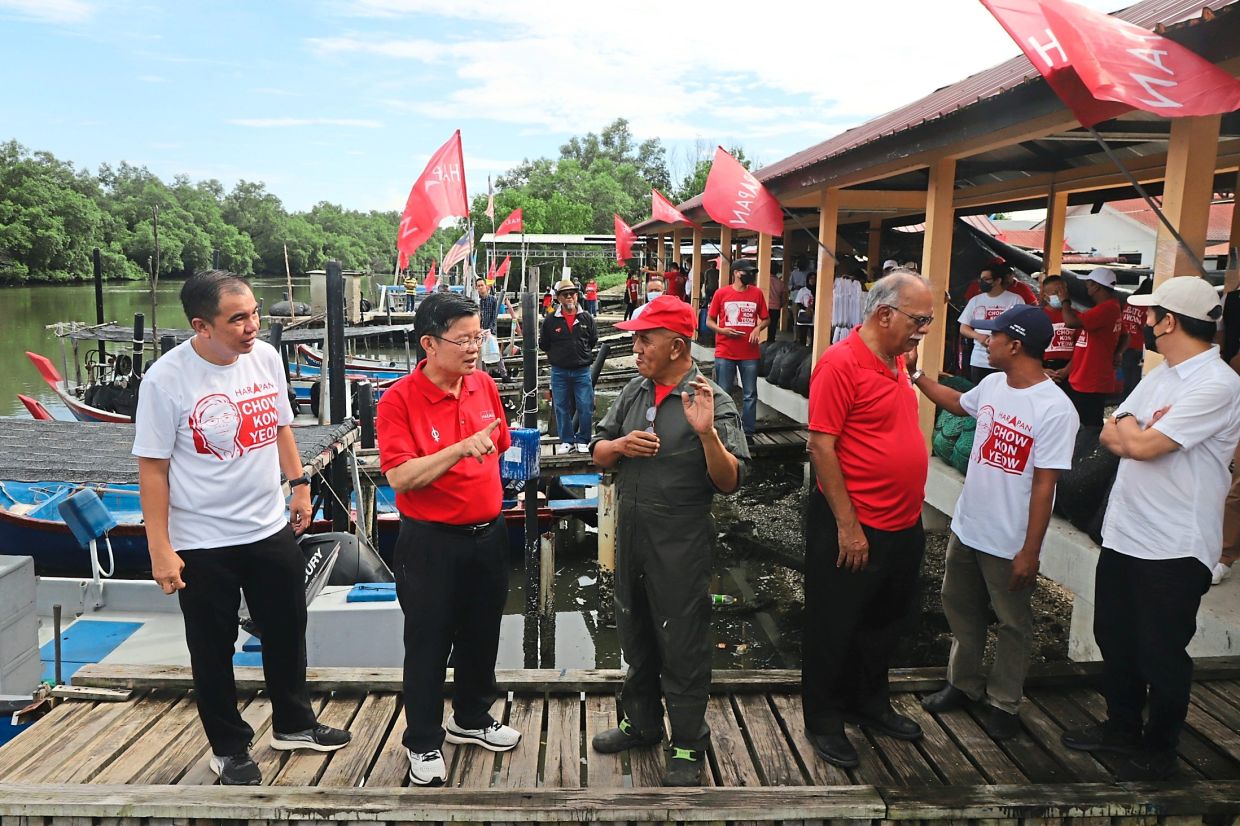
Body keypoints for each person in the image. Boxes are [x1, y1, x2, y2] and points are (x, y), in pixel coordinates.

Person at [133, 270, 351, 787]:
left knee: (286, 628)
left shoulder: (266, 358)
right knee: (212, 648)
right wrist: (159, 547)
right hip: (203, 540)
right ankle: (228, 747)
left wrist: (299, 484)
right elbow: (153, 468)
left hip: (266, 524)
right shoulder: (166, 380)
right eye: (238, 318)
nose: (252, 325)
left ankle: (294, 723)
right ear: (201, 326)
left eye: (254, 312)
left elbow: (279, 425)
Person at [1060, 275, 1240, 781]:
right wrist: (1133, 429)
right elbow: (1116, 426)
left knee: (1160, 652)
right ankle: (1119, 729)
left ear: (1171, 321)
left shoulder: (1218, 385)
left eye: (1152, 314)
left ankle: (1159, 750)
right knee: (1114, 638)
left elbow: (1138, 444)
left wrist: (1133, 431)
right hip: (1125, 534)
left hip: (1174, 545)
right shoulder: (1164, 374)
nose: (1145, 323)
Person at [589, 295, 750, 787]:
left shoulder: (711, 399)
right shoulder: (636, 390)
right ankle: (640, 723)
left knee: (681, 641)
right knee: (635, 633)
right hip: (632, 532)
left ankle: (687, 740)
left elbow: (730, 481)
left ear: (678, 346)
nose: (635, 346)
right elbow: (597, 451)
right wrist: (617, 447)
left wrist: (706, 437)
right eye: (634, 337)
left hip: (680, 538)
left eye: (645, 339)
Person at [913, 305, 1079, 739]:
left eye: (994, 335)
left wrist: (1030, 550)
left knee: (1012, 622)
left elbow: (1046, 487)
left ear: (1016, 344)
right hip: (969, 525)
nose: (986, 340)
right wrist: (918, 378)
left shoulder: (1055, 409)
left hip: (1008, 540)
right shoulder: (991, 384)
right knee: (961, 608)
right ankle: (962, 684)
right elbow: (956, 402)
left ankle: (1004, 702)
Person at [376, 292, 522, 787]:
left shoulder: (483, 385)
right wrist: (458, 449)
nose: (474, 348)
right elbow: (399, 477)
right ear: (429, 344)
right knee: (428, 642)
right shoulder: (398, 401)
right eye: (462, 339)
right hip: (430, 543)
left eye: (478, 337)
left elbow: (499, 446)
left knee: (483, 634)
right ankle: (422, 741)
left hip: (489, 535)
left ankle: (472, 718)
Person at [801, 270, 933, 769]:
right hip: (855, 521)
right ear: (885, 315)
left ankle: (869, 701)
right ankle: (824, 718)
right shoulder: (840, 364)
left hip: (903, 521)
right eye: (919, 320)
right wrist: (848, 525)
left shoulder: (895, 359)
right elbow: (821, 445)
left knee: (886, 620)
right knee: (834, 623)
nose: (923, 329)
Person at [707, 261, 769, 437]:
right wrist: (722, 330)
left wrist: (758, 328)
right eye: (746, 271)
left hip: (749, 353)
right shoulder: (721, 293)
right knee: (724, 393)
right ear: (736, 273)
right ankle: (724, 430)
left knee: (750, 394)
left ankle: (748, 432)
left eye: (752, 272)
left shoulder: (756, 293)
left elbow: (766, 318)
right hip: (725, 351)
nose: (749, 275)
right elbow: (709, 321)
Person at [540, 278, 599, 454]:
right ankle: (567, 440)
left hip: (582, 370)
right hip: (559, 371)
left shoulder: (586, 318)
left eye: (572, 294)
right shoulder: (551, 320)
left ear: (576, 296)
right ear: (558, 298)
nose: (569, 298)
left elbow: (593, 340)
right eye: (565, 295)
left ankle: (583, 439)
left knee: (585, 405)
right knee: (560, 406)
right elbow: (544, 344)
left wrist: (581, 353)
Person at [1060, 267, 1124, 427]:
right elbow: (1125, 335)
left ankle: (1088, 451)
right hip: (1085, 376)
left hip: (1091, 379)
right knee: (1084, 423)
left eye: (1089, 284)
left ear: (1096, 286)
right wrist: (1118, 353)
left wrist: (1065, 301)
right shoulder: (1111, 308)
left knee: (1088, 426)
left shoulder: (1107, 309)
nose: (1087, 288)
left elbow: (1070, 322)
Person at [959, 263, 1024, 384]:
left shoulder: (1016, 300)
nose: (982, 282)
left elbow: (1021, 328)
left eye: (986, 279)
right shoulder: (975, 300)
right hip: (979, 359)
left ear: (998, 280)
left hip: (1006, 360)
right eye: (981, 279)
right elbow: (963, 327)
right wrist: (979, 336)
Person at [1039, 275, 1077, 383]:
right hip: (1042, 368)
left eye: (1063, 291)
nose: (1061, 296)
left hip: (1070, 369)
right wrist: (1041, 370)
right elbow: (1027, 349)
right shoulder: (1036, 316)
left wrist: (1067, 370)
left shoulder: (1076, 317)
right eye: (1056, 293)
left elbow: (1081, 348)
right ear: (1046, 297)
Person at [1120, 279, 1150, 400]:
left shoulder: (1129, 302)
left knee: (1127, 381)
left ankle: (1123, 405)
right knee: (1135, 384)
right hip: (1138, 348)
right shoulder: (1146, 307)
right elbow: (1147, 328)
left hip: (1126, 346)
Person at [794, 273, 817, 347]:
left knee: (814, 336)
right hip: (805, 315)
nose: (813, 280)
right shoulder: (803, 290)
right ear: (808, 280)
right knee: (802, 336)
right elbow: (798, 302)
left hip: (814, 315)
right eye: (811, 278)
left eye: (814, 278)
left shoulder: (818, 290)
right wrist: (806, 309)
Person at [768, 266, 788, 342]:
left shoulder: (763, 280)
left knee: (763, 325)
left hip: (765, 307)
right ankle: (771, 341)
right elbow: (784, 297)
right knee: (773, 326)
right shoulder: (780, 283)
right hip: (776, 307)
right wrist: (780, 305)